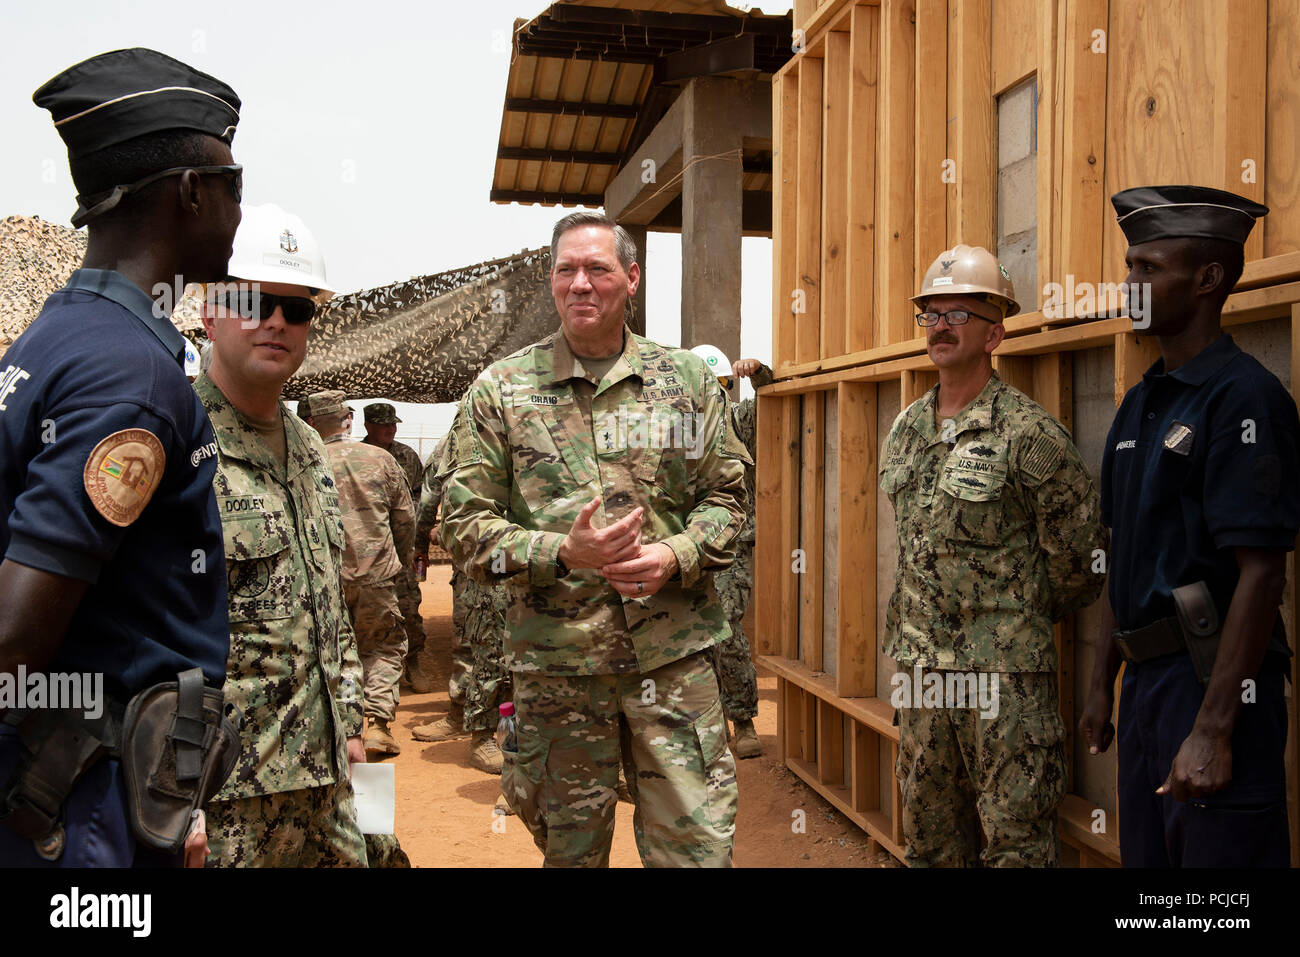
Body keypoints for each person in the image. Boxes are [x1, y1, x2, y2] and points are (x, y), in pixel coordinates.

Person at [439, 211, 750, 868]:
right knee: (570, 853)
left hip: (672, 667)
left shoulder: (687, 384)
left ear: (630, 278)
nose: (580, 283)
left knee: (698, 850)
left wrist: (676, 553)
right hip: (559, 673)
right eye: (565, 270)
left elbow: (728, 498)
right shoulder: (502, 390)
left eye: (597, 269)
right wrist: (561, 552)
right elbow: (463, 527)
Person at [0, 48, 241, 867]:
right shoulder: (130, 375)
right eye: (233, 183)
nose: (239, 212)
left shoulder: (57, 334)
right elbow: (14, 634)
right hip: (83, 808)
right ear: (191, 191)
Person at [1079, 185, 1300, 867]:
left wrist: (1212, 727)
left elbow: (1262, 574)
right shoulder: (1141, 403)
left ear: (1208, 278)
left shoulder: (1245, 398)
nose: (1130, 283)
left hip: (1212, 683)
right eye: (1129, 266)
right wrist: (1101, 682)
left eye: (1149, 268)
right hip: (1146, 686)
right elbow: (1124, 557)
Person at [880, 244, 1106, 867]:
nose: (940, 325)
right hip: (923, 674)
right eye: (931, 313)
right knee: (929, 841)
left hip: (1003, 683)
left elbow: (1080, 563)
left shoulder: (1028, 436)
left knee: (1015, 845)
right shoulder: (907, 430)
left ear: (994, 334)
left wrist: (1007, 624)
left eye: (958, 313)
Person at [197, 204, 368, 867]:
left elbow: (332, 608)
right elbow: (137, 632)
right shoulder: (176, 440)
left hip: (332, 783)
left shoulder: (309, 447)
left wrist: (351, 725)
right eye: (255, 302)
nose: (275, 322)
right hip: (229, 804)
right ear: (211, 312)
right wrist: (176, 805)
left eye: (295, 310)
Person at [306, 391, 415, 757]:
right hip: (377, 576)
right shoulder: (380, 459)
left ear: (310, 424)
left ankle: (337, 727)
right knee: (381, 646)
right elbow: (405, 519)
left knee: (332, 650)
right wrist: (397, 560)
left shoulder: (305, 460)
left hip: (324, 579)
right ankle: (378, 726)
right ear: (348, 421)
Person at [411, 433, 513, 776]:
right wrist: (422, 542)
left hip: (525, 552)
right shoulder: (454, 442)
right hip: (479, 555)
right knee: (477, 638)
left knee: (505, 642)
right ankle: (474, 727)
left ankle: (496, 726)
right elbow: (429, 499)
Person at [691, 345, 764, 759]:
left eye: (722, 386)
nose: (714, 395)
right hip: (683, 547)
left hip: (730, 545)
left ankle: (744, 720)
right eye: (707, 387)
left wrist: (758, 371)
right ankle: (707, 725)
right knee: (690, 638)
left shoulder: (740, 419)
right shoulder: (674, 430)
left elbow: (770, 395)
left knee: (728, 631)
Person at [362, 402, 430, 693]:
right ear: (368, 426)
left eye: (393, 424)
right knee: (369, 611)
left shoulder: (407, 455)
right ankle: (371, 673)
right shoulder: (359, 456)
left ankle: (412, 663)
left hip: (404, 547)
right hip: (371, 549)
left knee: (409, 607)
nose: (391, 428)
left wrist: (418, 544)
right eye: (384, 424)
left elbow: (421, 499)